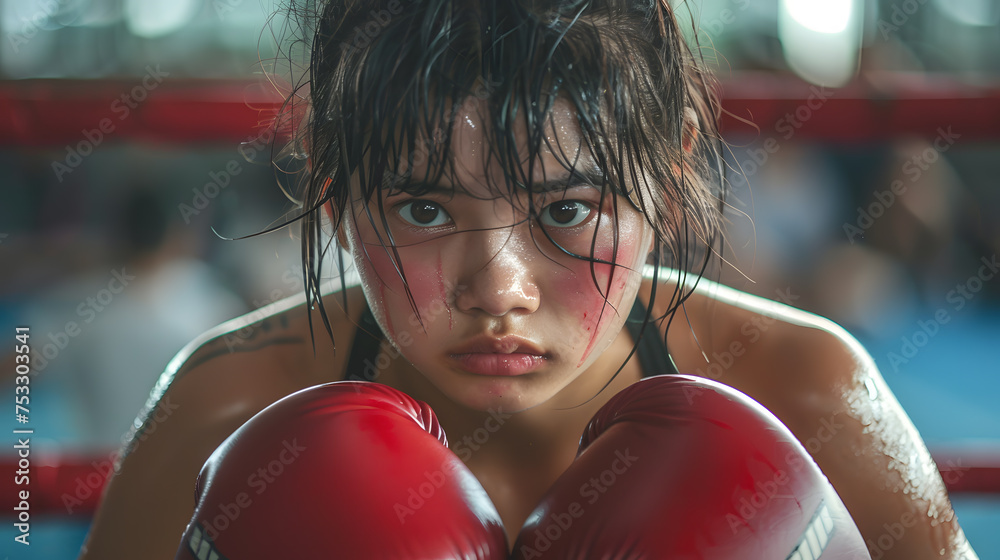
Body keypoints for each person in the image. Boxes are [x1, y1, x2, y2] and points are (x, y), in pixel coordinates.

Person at [79, 0, 978, 558]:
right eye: (424, 211)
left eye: (568, 211)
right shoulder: (227, 412)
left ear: (665, 182)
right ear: (332, 189)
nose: (498, 288)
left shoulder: (808, 393)